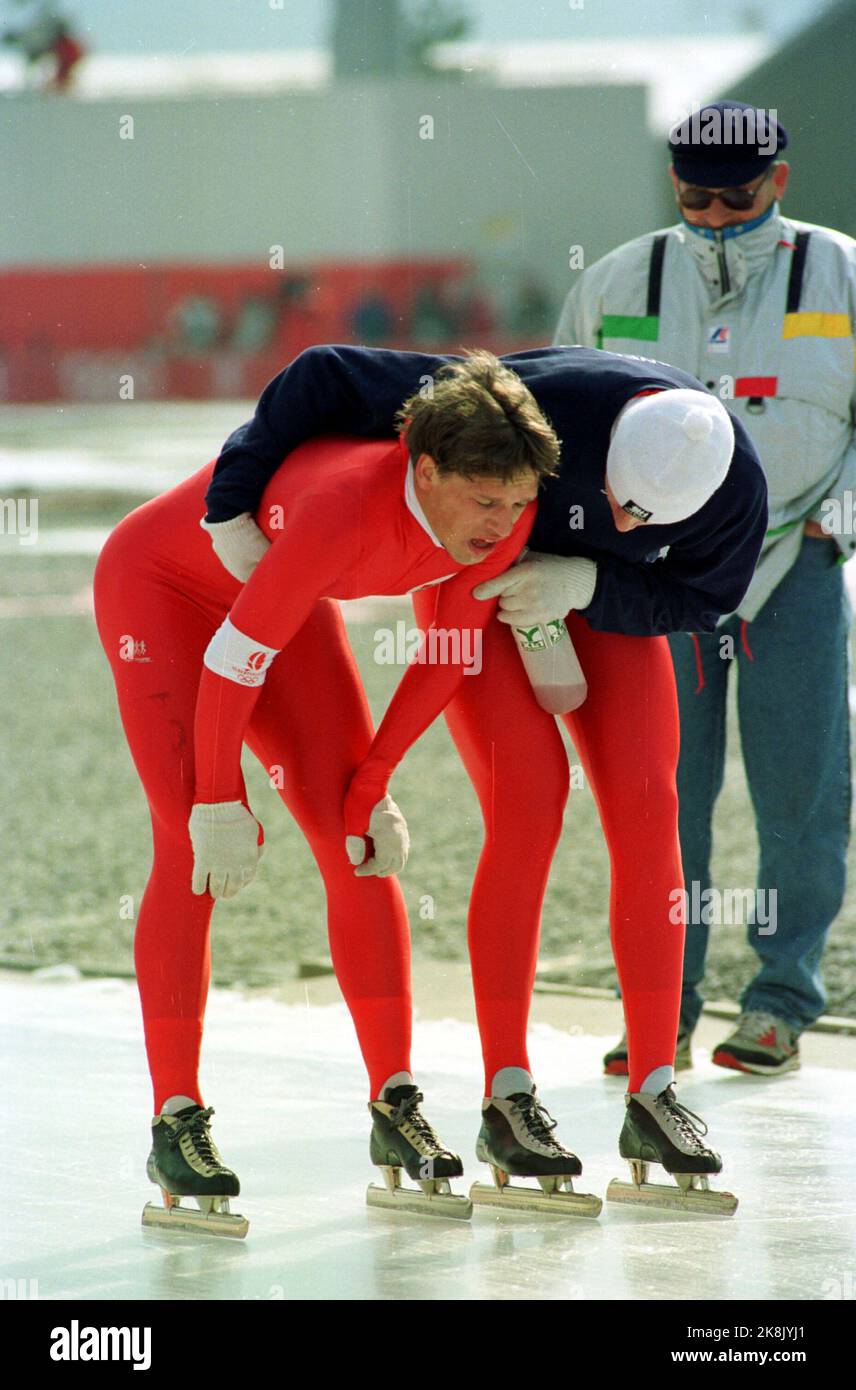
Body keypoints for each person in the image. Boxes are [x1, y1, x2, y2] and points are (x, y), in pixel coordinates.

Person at [201, 340, 767, 1213]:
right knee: (529, 805)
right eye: (612, 502)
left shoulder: (735, 491)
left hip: (599, 601)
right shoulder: (543, 401)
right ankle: (508, 1094)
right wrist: (232, 498)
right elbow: (326, 373)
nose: (620, 523)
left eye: (642, 520)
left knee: (652, 805)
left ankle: (653, 1086)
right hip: (479, 586)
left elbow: (704, 600)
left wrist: (586, 580)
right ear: (590, 448)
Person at [93, 350, 555, 1232]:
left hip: (282, 601)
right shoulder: (347, 511)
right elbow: (234, 656)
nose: (501, 526)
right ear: (425, 471)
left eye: (516, 503)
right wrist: (219, 799)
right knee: (189, 851)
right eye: (484, 503)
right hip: (164, 590)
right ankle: (175, 1117)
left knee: (356, 842)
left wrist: (373, 782)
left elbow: (446, 653)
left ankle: (394, 1102)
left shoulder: (505, 507)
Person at [556, 101, 856, 1078]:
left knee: (801, 790)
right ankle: (662, 1004)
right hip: (662, 581)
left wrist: (835, 523)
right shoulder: (615, 280)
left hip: (793, 570)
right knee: (661, 795)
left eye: (739, 198)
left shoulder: (842, 273)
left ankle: (778, 1001)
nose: (719, 218)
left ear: (779, 179)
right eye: (697, 199)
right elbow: (554, 420)